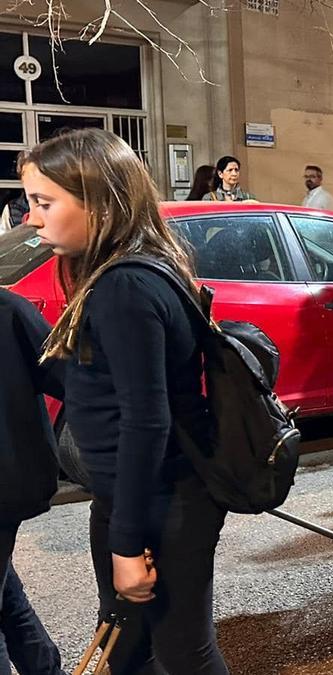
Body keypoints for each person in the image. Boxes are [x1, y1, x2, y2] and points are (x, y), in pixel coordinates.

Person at [22, 127, 230, 672]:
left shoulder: (125, 287)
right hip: (143, 500)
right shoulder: (128, 272)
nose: (32, 218)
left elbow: (145, 421)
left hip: (161, 504)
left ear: (100, 203)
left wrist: (126, 545)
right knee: (129, 646)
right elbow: (102, 391)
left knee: (181, 651)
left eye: (44, 202)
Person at [0, 288, 66, 675]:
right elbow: (67, 378)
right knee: (8, 596)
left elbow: (68, 377)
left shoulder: (9, 311)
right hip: (10, 483)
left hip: (6, 486)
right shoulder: (10, 310)